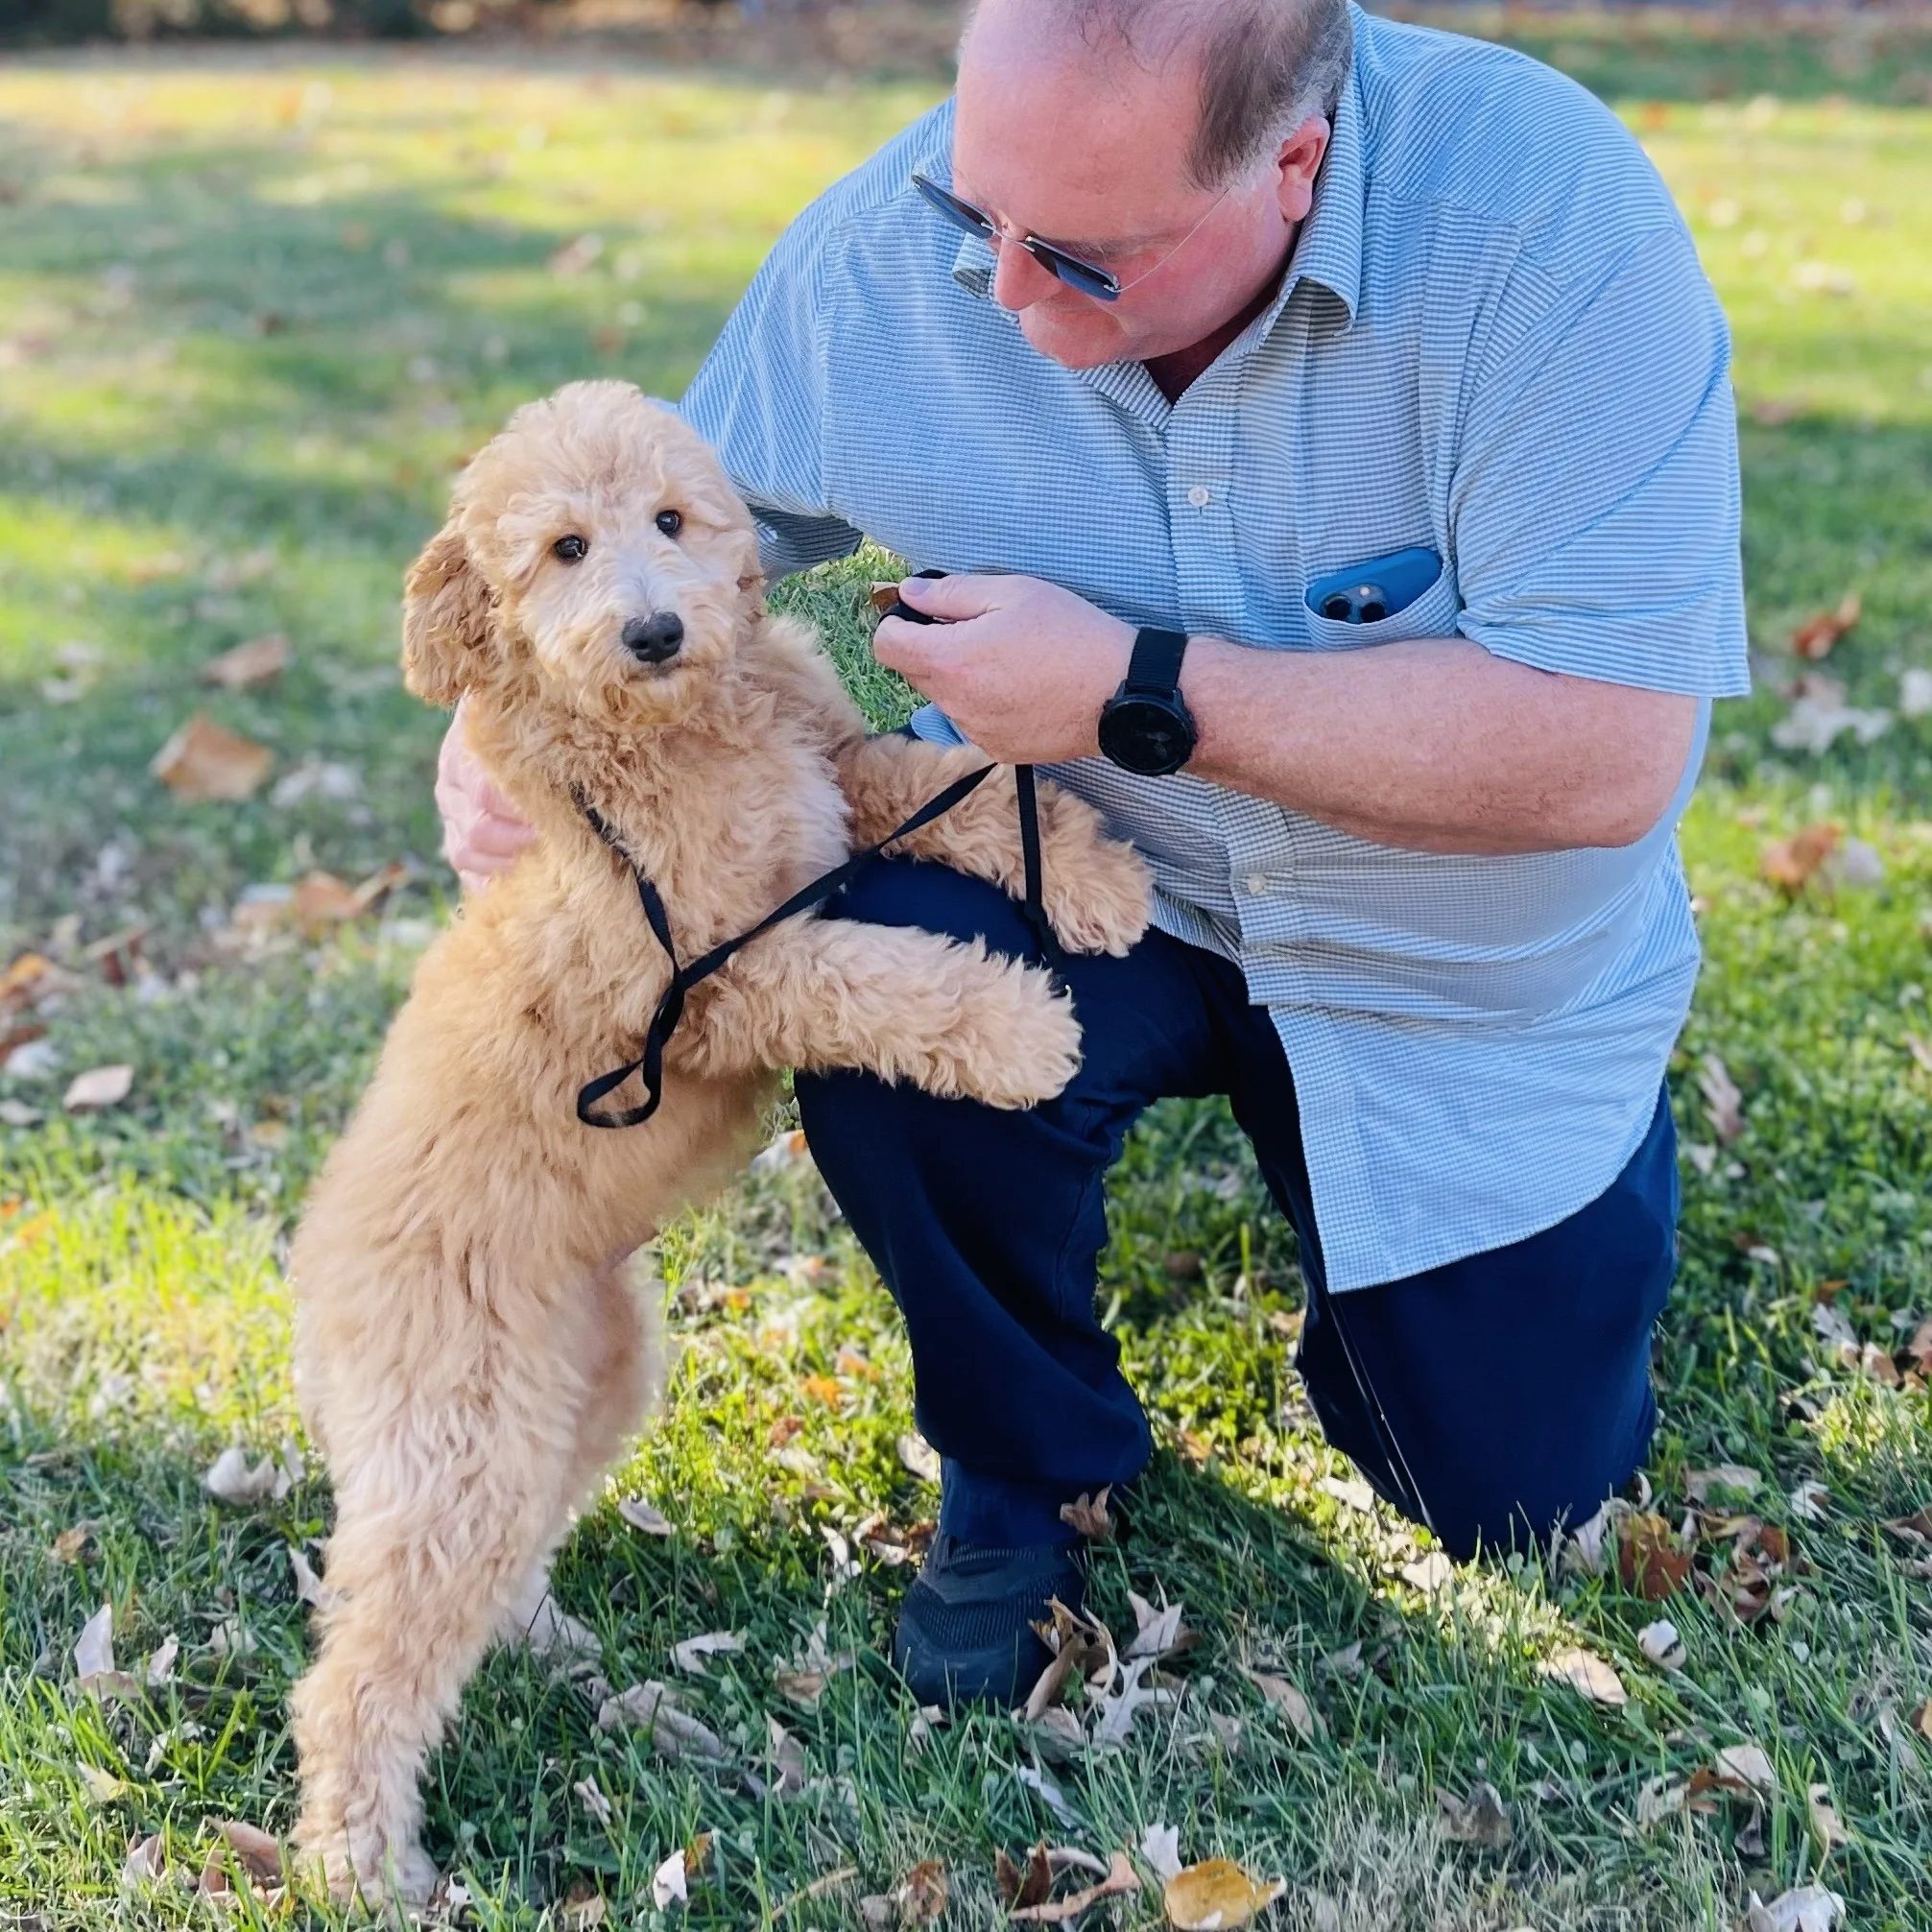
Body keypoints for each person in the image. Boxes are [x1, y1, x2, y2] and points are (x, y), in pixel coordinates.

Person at [437, 0, 1747, 1705]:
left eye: (1082, 257)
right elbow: (658, 523)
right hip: (1077, 866)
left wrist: (1137, 689)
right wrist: (494, 721)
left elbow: (1605, 752)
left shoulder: (1546, 228)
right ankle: (1027, 1457)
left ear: (1295, 162)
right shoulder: (915, 236)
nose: (1000, 293)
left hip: (1452, 962)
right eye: (982, 218)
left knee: (1512, 1502)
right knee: (883, 966)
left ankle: (1543, 1208)